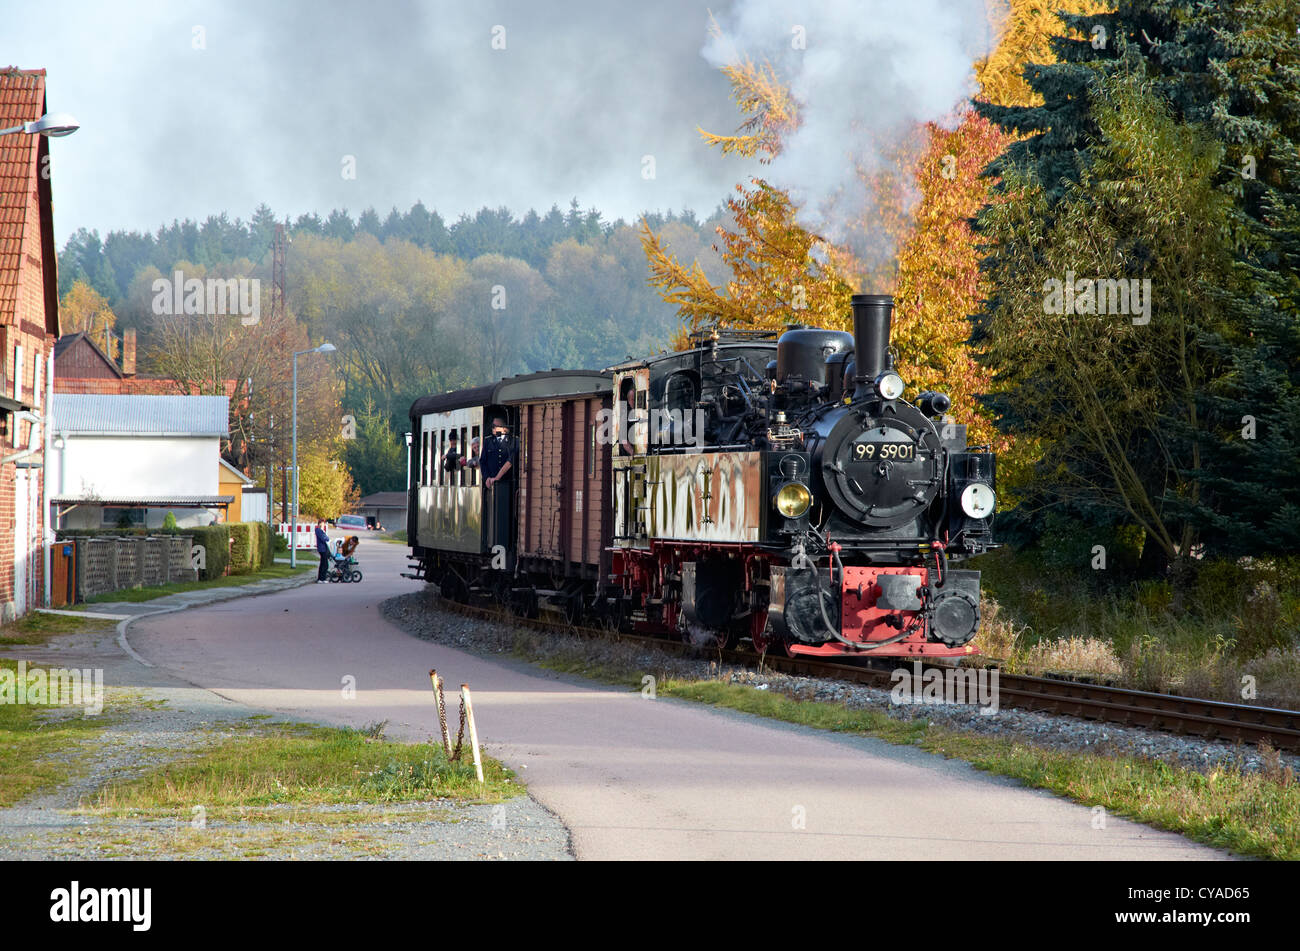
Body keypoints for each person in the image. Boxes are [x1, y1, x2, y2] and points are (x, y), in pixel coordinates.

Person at [480, 415, 517, 547]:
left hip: (507, 484)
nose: (494, 429)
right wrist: (487, 478)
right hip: (492, 484)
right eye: (493, 426)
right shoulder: (488, 441)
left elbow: (510, 461)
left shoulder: (513, 441)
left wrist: (498, 478)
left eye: (496, 426)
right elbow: (483, 462)